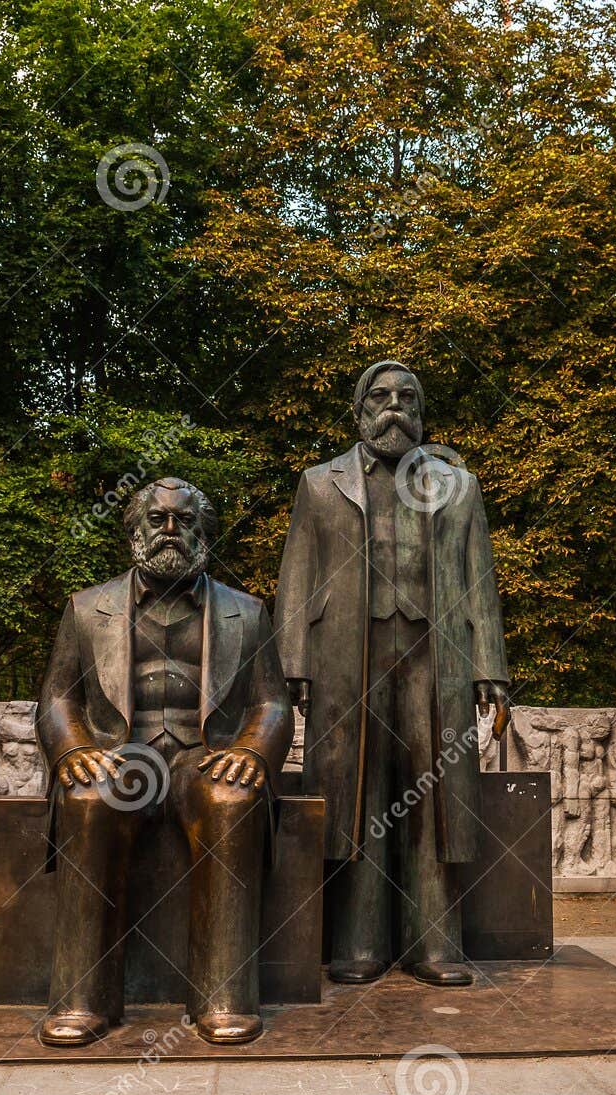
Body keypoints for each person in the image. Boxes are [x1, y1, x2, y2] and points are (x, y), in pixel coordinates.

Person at [274, 361, 509, 987]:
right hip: (346, 653)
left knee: (437, 796)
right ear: (359, 411)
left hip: (439, 654)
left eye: (408, 396)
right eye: (380, 396)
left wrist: (492, 670)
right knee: (359, 794)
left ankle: (435, 944)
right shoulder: (319, 484)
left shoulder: (459, 486)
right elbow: (297, 574)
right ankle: (358, 943)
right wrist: (290, 663)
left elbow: (479, 578)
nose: (395, 406)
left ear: (423, 411)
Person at [36, 477, 292, 1047]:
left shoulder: (247, 613)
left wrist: (252, 750)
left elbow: (272, 701)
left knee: (231, 800)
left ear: (206, 533)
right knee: (88, 799)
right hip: (120, 755)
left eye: (185, 520)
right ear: (134, 531)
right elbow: (58, 699)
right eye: (158, 520)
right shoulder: (85, 609)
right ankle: (82, 1000)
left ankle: (223, 998)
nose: (171, 530)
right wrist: (74, 748)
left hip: (206, 755)